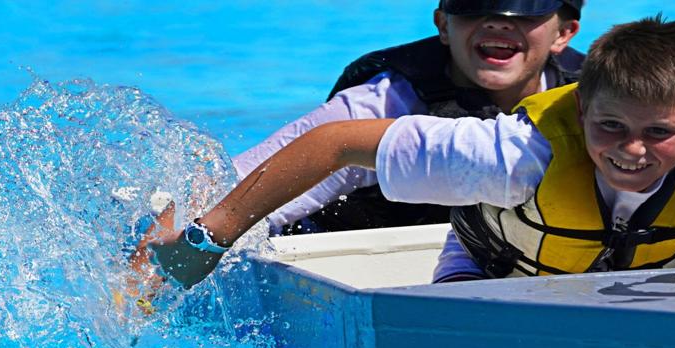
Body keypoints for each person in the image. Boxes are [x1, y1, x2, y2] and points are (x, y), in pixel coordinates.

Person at [142, 16, 675, 290]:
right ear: (581, 116)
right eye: (609, 130)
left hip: (654, 279)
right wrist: (208, 239)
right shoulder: (508, 155)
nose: (631, 151)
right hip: (492, 283)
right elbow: (331, 145)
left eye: (659, 133)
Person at [232, 0, 584, 235]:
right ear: (443, 24)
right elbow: (235, 191)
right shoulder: (378, 106)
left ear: (564, 33)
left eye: (525, 11)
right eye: (473, 6)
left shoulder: (601, 105)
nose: (498, 23)